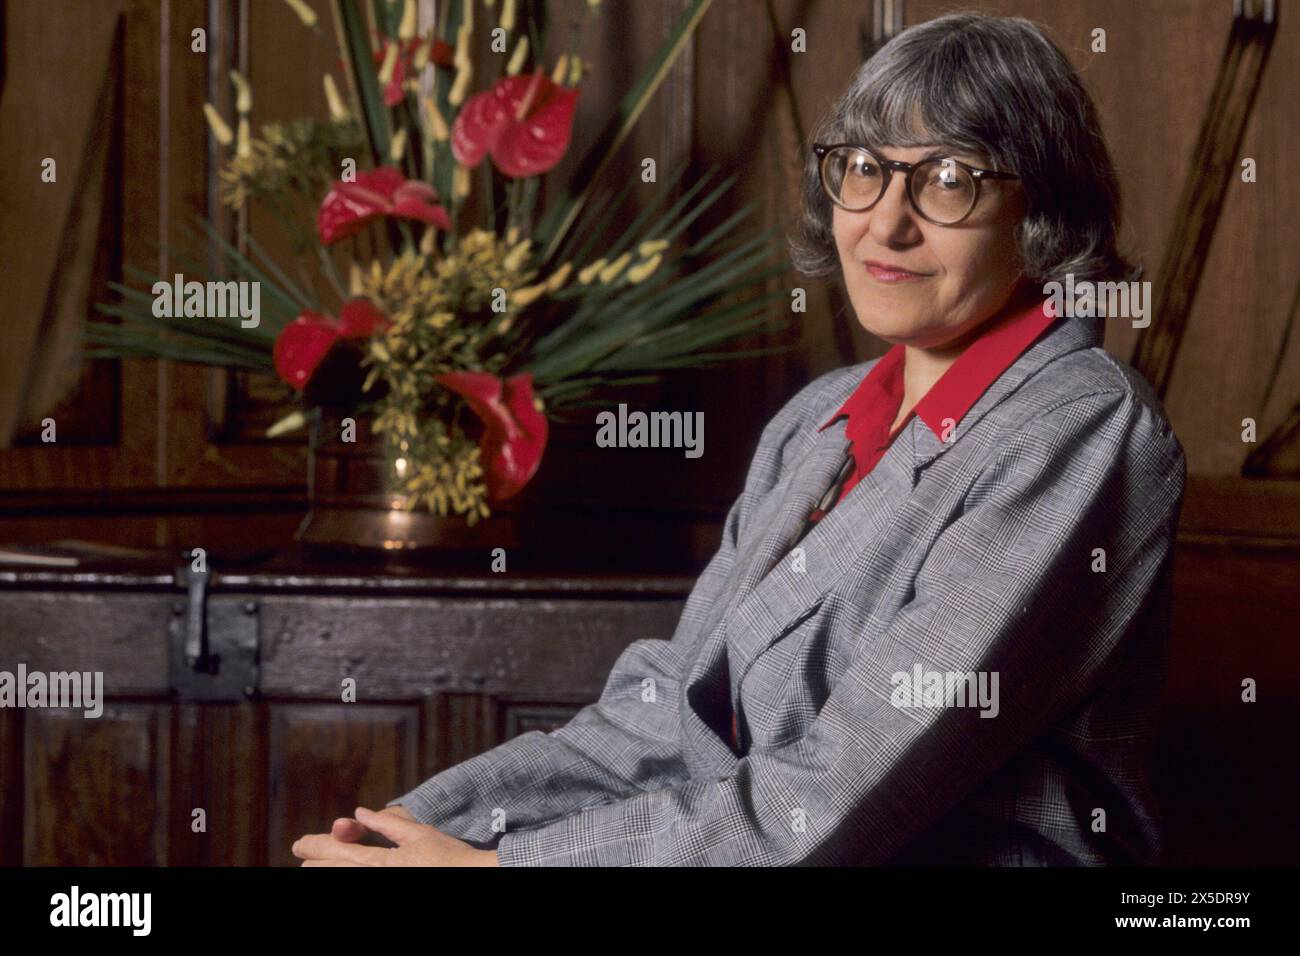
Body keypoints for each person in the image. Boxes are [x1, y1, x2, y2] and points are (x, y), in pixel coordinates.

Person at [292, 11, 1186, 867]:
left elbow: (840, 789)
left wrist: (508, 866)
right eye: (864, 169)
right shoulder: (818, 421)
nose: (887, 221)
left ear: (1045, 214)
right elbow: (666, 712)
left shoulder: (1079, 426)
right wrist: (415, 823)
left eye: (949, 180)